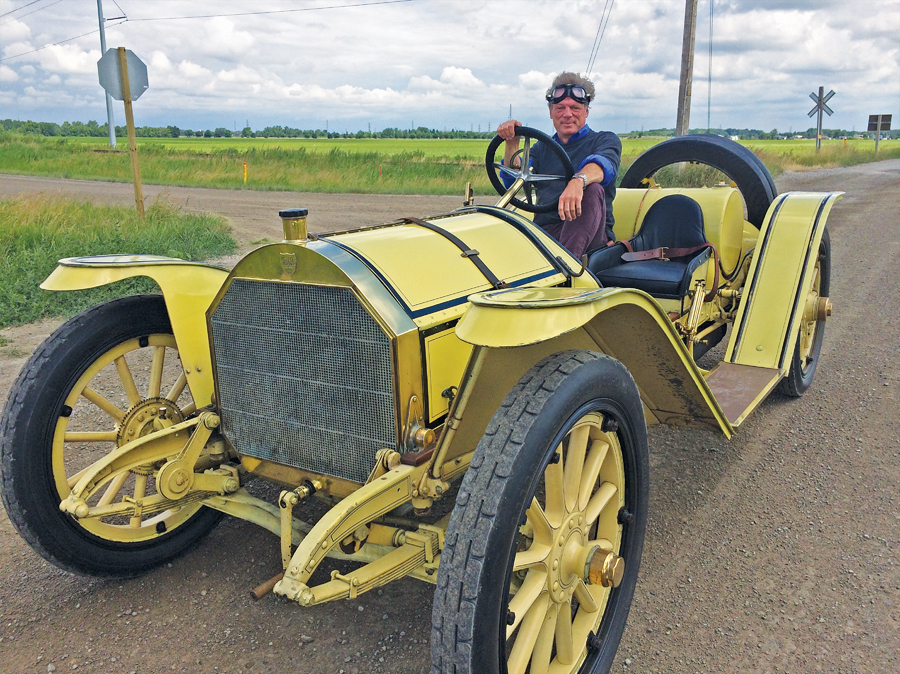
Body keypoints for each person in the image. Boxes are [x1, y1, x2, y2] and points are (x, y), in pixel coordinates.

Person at [497, 72, 621, 258]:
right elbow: (514, 180)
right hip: (548, 233)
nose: (567, 114)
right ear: (551, 112)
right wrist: (512, 144)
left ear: (586, 111)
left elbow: (604, 166)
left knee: (593, 189)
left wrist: (578, 181)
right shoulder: (540, 149)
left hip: (592, 235)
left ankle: (566, 266)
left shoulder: (605, 140)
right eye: (560, 108)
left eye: (575, 108)